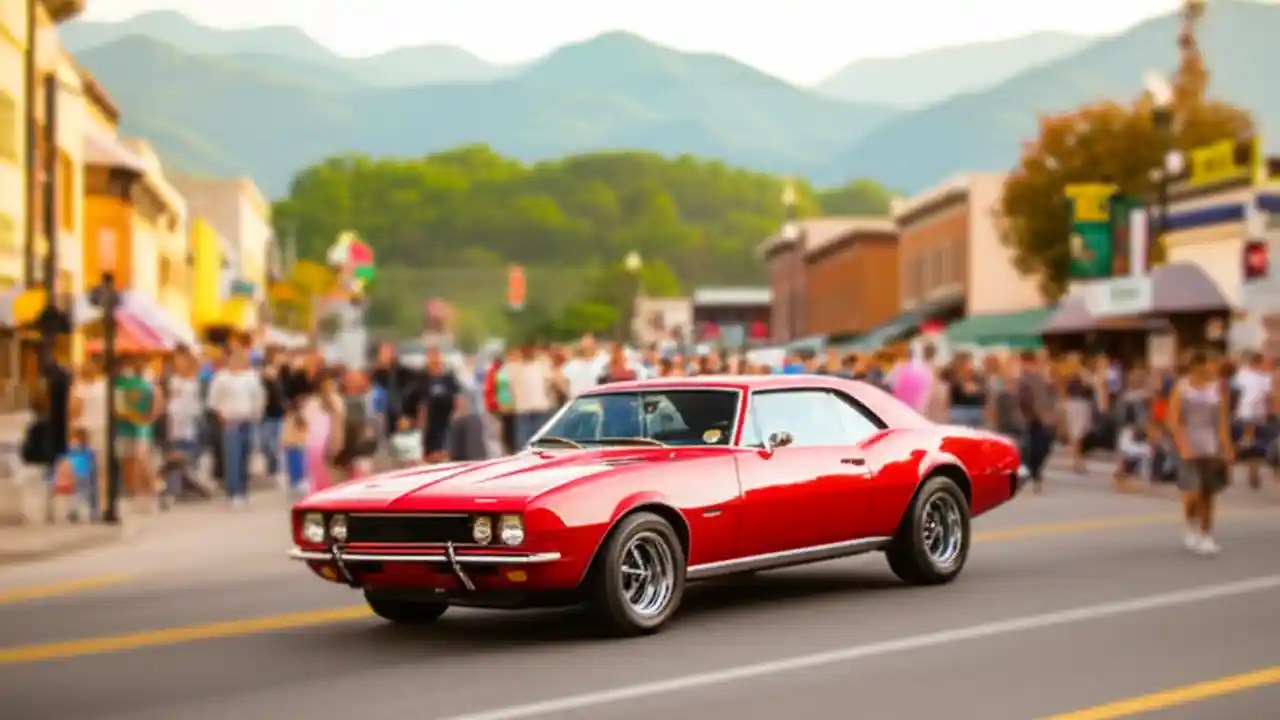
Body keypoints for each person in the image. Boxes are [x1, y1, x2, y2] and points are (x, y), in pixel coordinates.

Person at [1167, 351, 1232, 556]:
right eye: (1210, 364)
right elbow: (1173, 419)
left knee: (1208, 492)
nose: (1213, 368)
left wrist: (1226, 446)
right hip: (1188, 442)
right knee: (1192, 492)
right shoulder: (1182, 387)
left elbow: (1222, 420)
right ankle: (1189, 526)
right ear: (1198, 366)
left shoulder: (1218, 388)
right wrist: (1183, 445)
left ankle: (1206, 535)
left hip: (1210, 444)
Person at [207, 347, 265, 507]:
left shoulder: (251, 377)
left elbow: (258, 397)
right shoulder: (221, 377)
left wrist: (256, 414)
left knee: (245, 457)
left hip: (247, 420)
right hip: (230, 421)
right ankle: (232, 492)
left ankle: (243, 490)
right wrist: (222, 417)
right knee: (232, 457)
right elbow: (214, 400)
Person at [416, 347, 461, 462]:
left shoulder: (448, 377)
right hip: (430, 418)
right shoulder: (422, 378)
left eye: (437, 358)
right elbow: (419, 399)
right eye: (432, 358)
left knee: (445, 446)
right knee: (430, 448)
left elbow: (457, 396)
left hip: (446, 417)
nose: (435, 361)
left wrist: (457, 412)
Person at [54, 427, 96, 522]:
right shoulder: (87, 451)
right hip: (80, 475)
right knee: (80, 495)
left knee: (77, 494)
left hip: (77, 475)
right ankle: (75, 512)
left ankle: (74, 512)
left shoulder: (72, 450)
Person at [281, 399, 309, 497]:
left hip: (294, 445)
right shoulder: (296, 417)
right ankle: (296, 483)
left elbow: (286, 433)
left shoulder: (293, 418)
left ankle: (296, 483)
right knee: (297, 466)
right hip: (296, 445)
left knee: (295, 466)